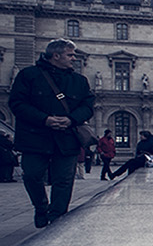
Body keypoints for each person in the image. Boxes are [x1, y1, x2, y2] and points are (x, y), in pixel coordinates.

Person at [7, 38, 95, 227]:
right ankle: (41, 207)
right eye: (70, 54)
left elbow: (88, 107)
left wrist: (71, 119)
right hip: (35, 136)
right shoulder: (29, 75)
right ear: (56, 55)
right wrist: (44, 119)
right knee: (31, 174)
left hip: (66, 137)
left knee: (63, 180)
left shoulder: (79, 81)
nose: (74, 58)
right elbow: (17, 104)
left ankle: (57, 218)